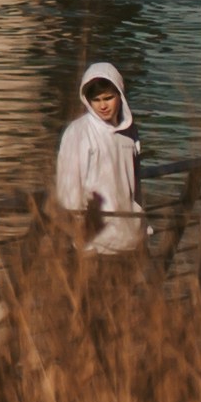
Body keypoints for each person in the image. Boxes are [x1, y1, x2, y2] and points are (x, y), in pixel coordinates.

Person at [55, 58, 145, 256]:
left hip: (129, 239)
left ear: (120, 96)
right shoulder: (79, 132)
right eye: (96, 100)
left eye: (108, 98)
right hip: (95, 243)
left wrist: (141, 228)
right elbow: (69, 189)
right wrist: (82, 239)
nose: (103, 106)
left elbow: (135, 184)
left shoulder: (130, 131)